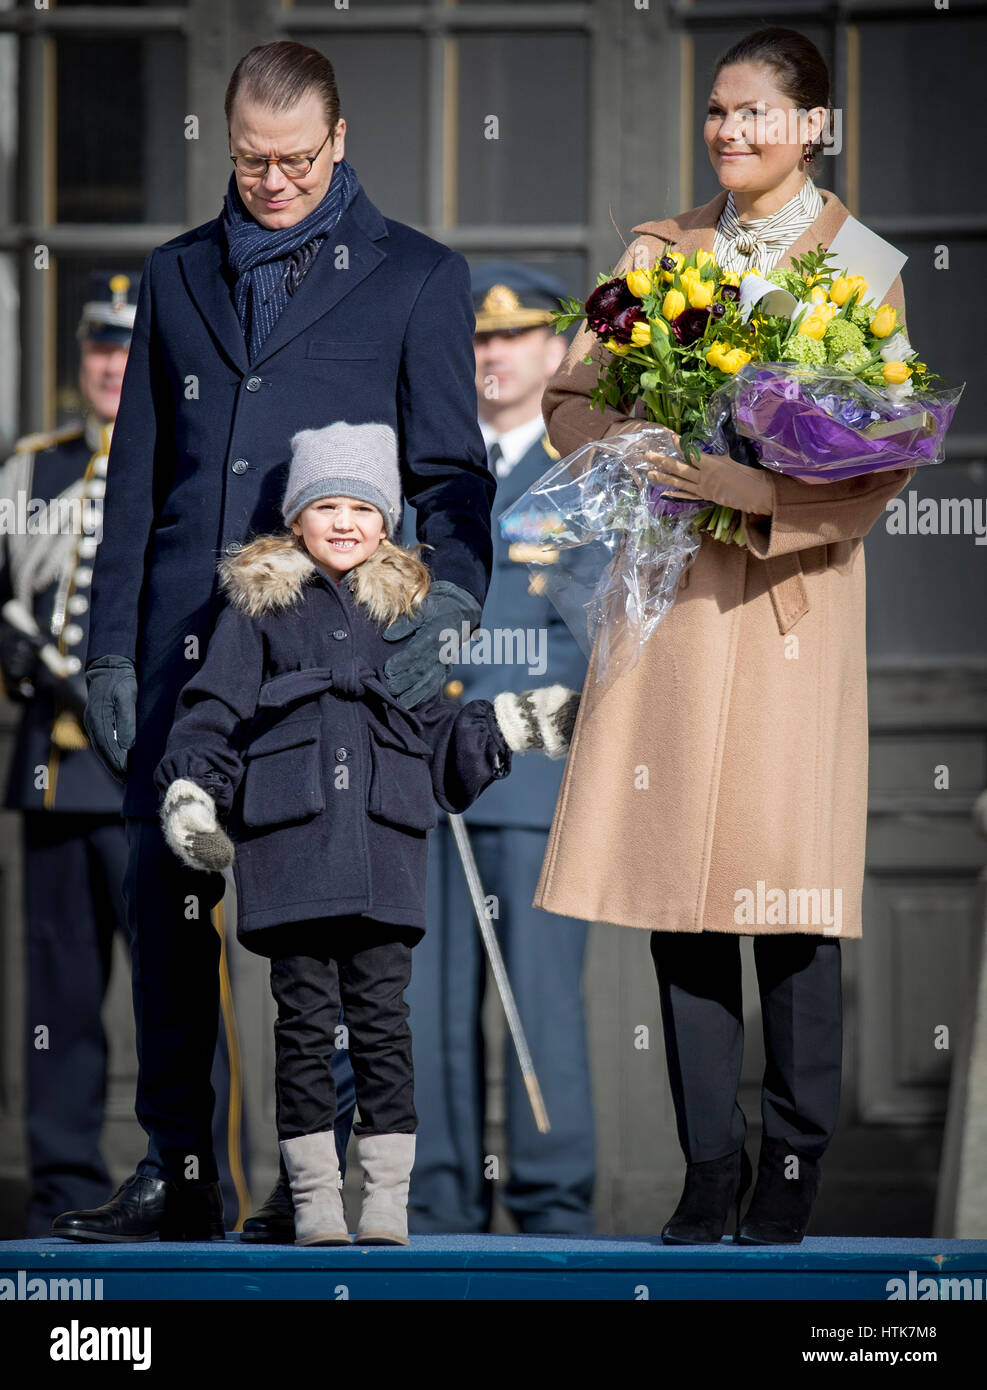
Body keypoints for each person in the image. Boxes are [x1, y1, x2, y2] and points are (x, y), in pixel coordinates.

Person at [55, 39, 496, 1244]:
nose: (275, 181)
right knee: (172, 902)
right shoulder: (176, 273)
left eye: (297, 159)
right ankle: (182, 1165)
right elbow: (138, 483)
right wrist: (106, 644)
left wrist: (452, 604)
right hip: (180, 651)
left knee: (329, 917)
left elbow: (456, 478)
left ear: (340, 140)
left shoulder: (417, 276)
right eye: (252, 160)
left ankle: (327, 1187)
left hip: (332, 661)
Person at [531, 26, 916, 1244]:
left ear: (812, 126)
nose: (730, 132)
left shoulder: (860, 263)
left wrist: (753, 489)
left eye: (754, 113)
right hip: (673, 606)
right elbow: (567, 403)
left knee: (789, 891)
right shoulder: (659, 250)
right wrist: (648, 446)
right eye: (716, 113)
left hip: (793, 604)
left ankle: (792, 1170)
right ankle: (707, 1170)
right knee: (678, 892)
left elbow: (884, 461)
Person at [152, 422, 580, 1245]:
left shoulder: (406, 611)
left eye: (361, 506)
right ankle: (313, 1200)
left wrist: (511, 725)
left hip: (383, 843)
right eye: (325, 506)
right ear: (296, 520)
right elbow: (212, 711)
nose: (344, 522)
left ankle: (385, 1200)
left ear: (386, 521)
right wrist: (194, 797)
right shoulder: (259, 607)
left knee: (384, 1022)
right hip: (290, 845)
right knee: (304, 1026)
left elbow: (435, 728)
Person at [0, 272, 245, 1233]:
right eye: (99, 350)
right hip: (55, 773)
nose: (111, 367)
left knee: (182, 986)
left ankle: (200, 1180)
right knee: (58, 995)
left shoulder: (188, 457)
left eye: (123, 350)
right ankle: (62, 1188)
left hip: (157, 767)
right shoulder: (33, 472)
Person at [404, 263, 596, 1235]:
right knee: (426, 1010)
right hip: (418, 780)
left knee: (540, 1010)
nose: (491, 355)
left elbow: (614, 645)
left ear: (556, 350)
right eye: (478, 340)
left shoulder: (585, 480)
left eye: (512, 337)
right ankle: (437, 1206)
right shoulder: (429, 472)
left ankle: (553, 1208)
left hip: (530, 779)